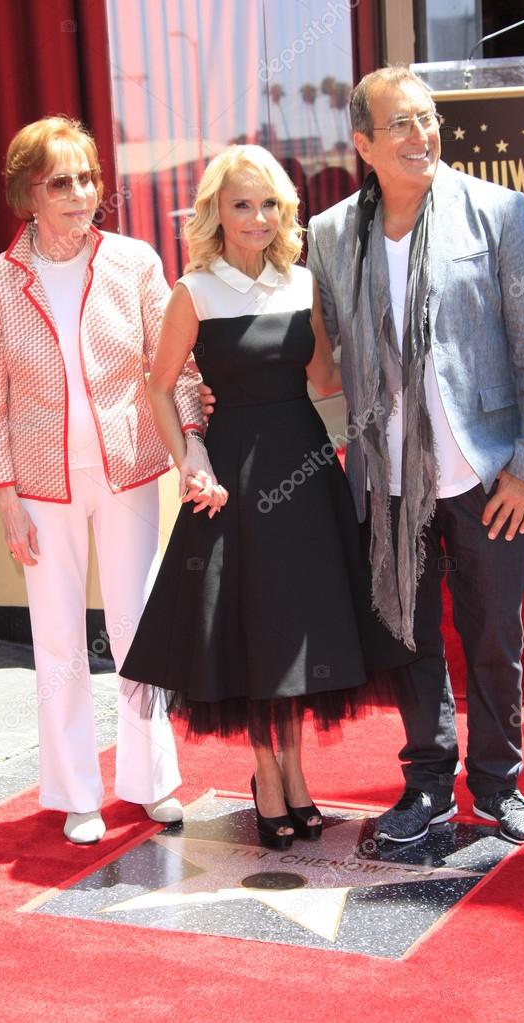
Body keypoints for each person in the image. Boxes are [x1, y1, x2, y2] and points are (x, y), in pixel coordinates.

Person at [121, 144, 413, 850]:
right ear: (216, 212)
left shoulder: (301, 282)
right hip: (234, 482)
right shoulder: (194, 290)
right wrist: (191, 456)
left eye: (269, 203)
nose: (257, 217)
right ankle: (267, 775)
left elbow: (323, 379)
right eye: (242, 203)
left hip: (305, 467)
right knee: (254, 628)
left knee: (299, 623)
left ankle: (296, 770)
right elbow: (160, 386)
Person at [304, 66, 524, 844]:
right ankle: (426, 786)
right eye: (403, 125)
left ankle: (500, 785)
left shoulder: (496, 212)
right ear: (363, 145)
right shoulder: (329, 234)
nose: (424, 136)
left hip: (485, 476)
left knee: (493, 638)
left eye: (429, 118)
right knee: (406, 639)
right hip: (385, 483)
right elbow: (318, 355)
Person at [0, 115, 211, 844]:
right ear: (27, 194)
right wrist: (5, 498)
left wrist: (191, 443)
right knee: (59, 637)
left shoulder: (134, 263)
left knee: (140, 625)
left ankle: (151, 779)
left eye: (88, 178)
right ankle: (76, 791)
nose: (80, 194)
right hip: (40, 488)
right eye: (60, 182)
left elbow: (177, 370)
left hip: (130, 470)